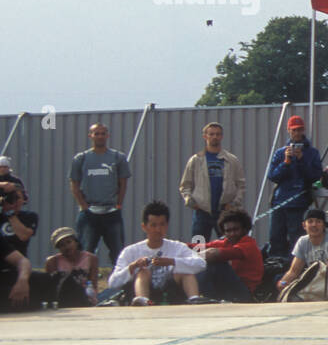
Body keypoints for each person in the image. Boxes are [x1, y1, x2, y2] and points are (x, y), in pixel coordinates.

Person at [106, 201, 209, 306]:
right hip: (143, 289)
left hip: (172, 291)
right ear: (144, 227)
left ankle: (194, 299)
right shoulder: (130, 251)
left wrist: (172, 262)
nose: (158, 230)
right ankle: (143, 300)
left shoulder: (178, 247)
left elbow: (201, 264)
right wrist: (133, 266)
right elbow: (113, 283)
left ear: (167, 225)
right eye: (153, 225)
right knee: (143, 272)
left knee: (186, 272)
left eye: (162, 224)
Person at [68, 123, 131, 266]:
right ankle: (85, 285)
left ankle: (118, 284)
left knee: (118, 253)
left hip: (111, 212)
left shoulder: (118, 157)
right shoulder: (81, 158)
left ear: (108, 136)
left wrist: (119, 204)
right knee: (85, 252)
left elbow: (123, 183)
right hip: (89, 213)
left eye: (103, 133)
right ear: (90, 136)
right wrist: (84, 206)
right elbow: (74, 184)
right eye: (96, 133)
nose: (100, 136)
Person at [178, 122, 246, 242]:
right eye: (211, 134)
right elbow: (185, 185)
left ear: (222, 136)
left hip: (225, 211)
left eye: (218, 134)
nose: (215, 137)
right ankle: (199, 262)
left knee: (229, 244)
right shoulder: (196, 160)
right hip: (202, 211)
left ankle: (225, 262)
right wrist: (190, 201)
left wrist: (235, 203)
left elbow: (241, 185)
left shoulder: (231, 160)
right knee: (198, 246)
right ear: (205, 136)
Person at [266, 116, 323, 259]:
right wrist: (285, 162)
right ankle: (275, 267)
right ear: (288, 131)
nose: (297, 133)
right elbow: (272, 176)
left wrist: (301, 160)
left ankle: (295, 269)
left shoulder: (312, 153)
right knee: (275, 238)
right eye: (294, 130)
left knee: (296, 240)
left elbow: (315, 176)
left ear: (303, 130)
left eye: (299, 130)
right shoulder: (280, 153)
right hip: (280, 201)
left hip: (299, 202)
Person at [277, 208, 328, 297]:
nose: (314, 225)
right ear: (304, 225)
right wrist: (283, 283)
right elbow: (294, 271)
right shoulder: (302, 241)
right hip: (314, 282)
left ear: (324, 225)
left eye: (318, 221)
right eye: (310, 222)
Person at [196, 208, 263, 303]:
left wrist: (192, 258)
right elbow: (197, 247)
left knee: (217, 265)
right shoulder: (226, 243)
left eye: (236, 230)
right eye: (228, 231)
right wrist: (175, 246)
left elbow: (219, 254)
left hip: (245, 293)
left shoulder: (249, 244)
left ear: (244, 229)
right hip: (229, 289)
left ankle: (199, 297)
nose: (232, 234)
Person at [45, 226, 99, 304]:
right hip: (64, 299)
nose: (67, 247)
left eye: (69, 242)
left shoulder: (91, 258)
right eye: (62, 245)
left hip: (86, 298)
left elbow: (93, 285)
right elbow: (52, 287)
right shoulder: (53, 261)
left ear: (76, 242)